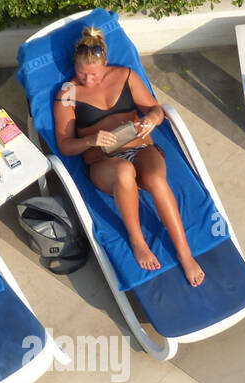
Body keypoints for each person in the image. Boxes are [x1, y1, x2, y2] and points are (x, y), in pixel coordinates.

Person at [53, 25, 204, 286]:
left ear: (106, 63)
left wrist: (151, 122)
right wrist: (90, 139)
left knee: (156, 179)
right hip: (104, 161)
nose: (87, 80)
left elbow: (156, 110)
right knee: (124, 171)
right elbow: (65, 145)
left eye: (93, 74)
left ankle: (185, 253)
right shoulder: (68, 94)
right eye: (80, 73)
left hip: (142, 148)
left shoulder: (126, 76)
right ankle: (138, 241)